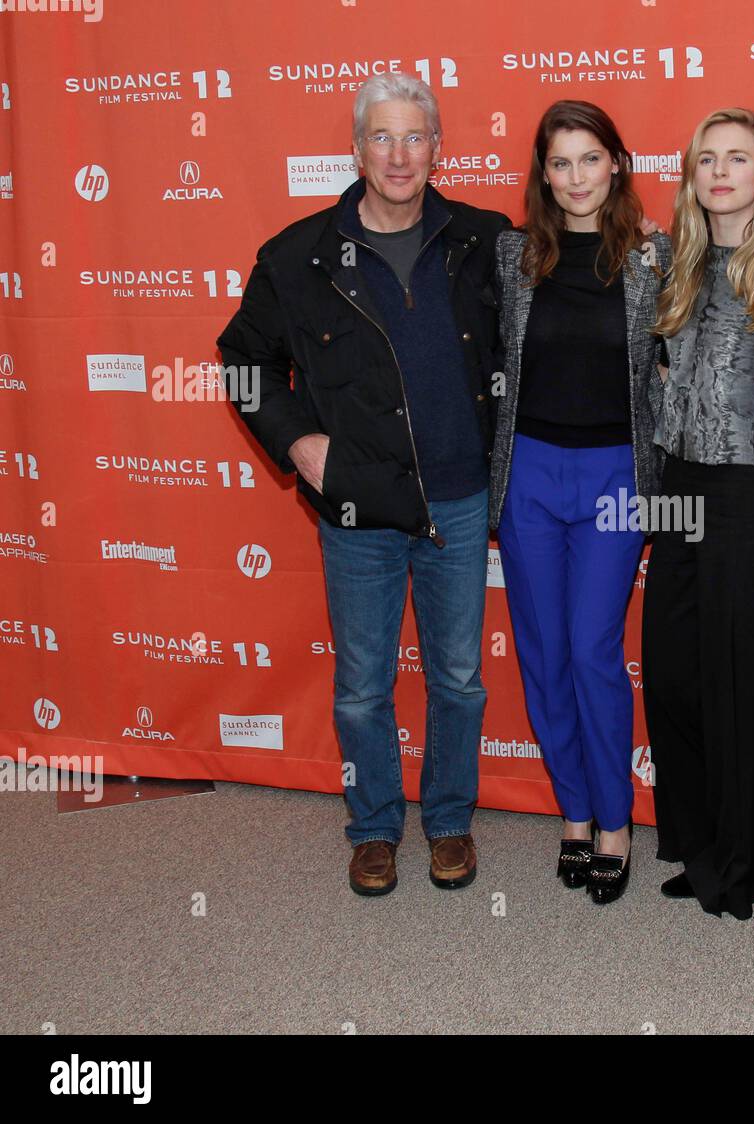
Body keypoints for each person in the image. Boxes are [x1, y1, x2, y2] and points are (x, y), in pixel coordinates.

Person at [217, 73, 509, 897]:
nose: (399, 155)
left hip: (458, 498)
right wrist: (297, 439)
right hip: (354, 506)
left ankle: (449, 821)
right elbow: (241, 363)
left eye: (415, 137)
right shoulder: (298, 255)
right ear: (356, 150)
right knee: (360, 686)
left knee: (457, 677)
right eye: (381, 137)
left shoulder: (484, 240)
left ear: (437, 148)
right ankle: (375, 827)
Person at [490, 100, 670, 905]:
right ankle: (572, 808)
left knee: (593, 646)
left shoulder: (654, 256)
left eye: (589, 159)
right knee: (541, 649)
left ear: (616, 165)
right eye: (559, 163)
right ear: (543, 173)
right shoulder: (512, 255)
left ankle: (615, 819)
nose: (575, 178)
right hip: (527, 469)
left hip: (614, 478)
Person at [642, 107, 754, 921]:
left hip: (749, 494)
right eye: (705, 157)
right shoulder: (671, 267)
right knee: (676, 678)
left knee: (742, 686)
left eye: (737, 158)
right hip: (678, 485)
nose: (720, 171)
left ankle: (748, 860)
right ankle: (702, 837)